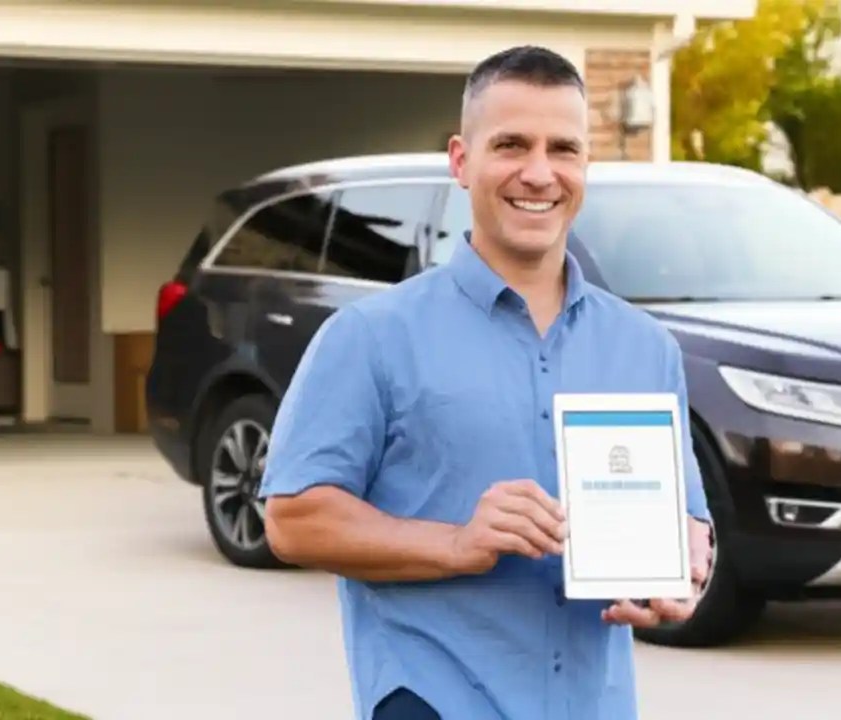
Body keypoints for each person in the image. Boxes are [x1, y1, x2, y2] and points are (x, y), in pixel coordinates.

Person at [259, 44, 713, 720]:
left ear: (586, 165)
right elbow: (293, 520)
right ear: (461, 161)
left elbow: (690, 522)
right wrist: (454, 544)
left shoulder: (645, 349)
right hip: (435, 701)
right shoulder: (371, 337)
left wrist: (686, 570)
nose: (540, 173)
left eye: (563, 149)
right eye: (511, 145)